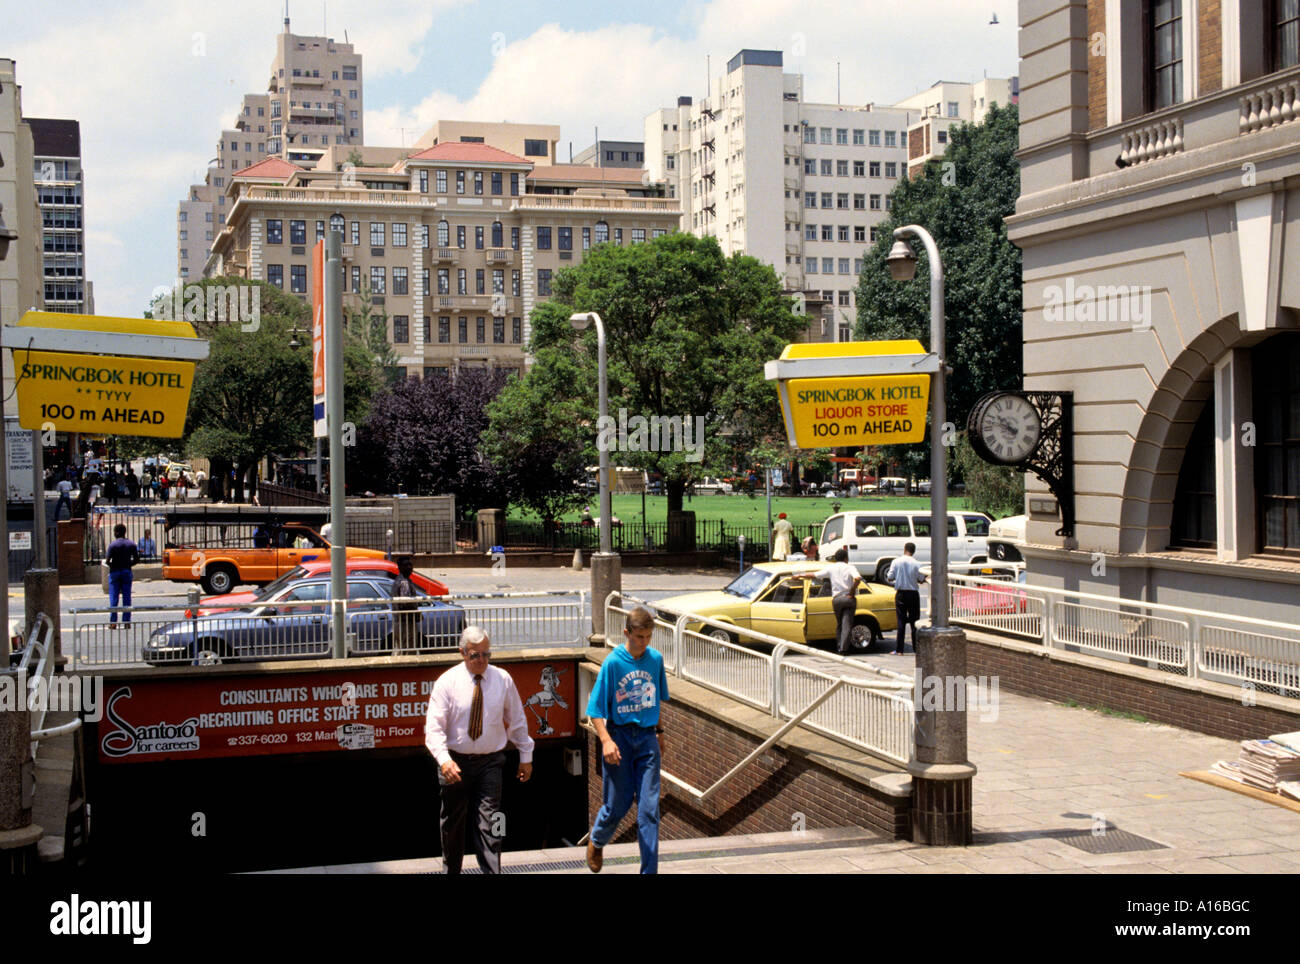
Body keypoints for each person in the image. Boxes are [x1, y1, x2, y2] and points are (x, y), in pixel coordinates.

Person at [424, 627, 533, 874]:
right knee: (453, 824)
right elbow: (434, 728)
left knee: (494, 821)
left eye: (486, 654)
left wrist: (526, 756)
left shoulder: (503, 679)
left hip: (491, 762)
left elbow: (517, 719)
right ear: (462, 653)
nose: (481, 660)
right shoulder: (447, 682)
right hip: (455, 763)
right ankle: (451, 870)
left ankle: (492, 871)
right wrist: (443, 760)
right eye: (475, 655)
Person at [586, 606, 669, 875]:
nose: (644, 643)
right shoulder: (613, 663)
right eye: (639, 637)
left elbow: (653, 699)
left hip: (646, 741)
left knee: (648, 810)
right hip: (619, 737)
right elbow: (595, 710)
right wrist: (606, 741)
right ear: (627, 633)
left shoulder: (655, 660)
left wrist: (660, 732)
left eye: (648, 637)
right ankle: (597, 840)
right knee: (617, 806)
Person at [794, 546, 861, 655]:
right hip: (848, 599)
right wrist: (852, 591)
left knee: (840, 624)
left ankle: (839, 646)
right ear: (846, 558)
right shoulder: (850, 567)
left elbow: (814, 575)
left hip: (836, 599)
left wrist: (799, 576)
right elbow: (857, 579)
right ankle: (844, 649)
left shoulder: (831, 568)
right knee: (847, 624)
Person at [887, 542, 927, 655]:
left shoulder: (896, 561)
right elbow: (920, 579)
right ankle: (916, 648)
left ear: (904, 549)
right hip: (913, 594)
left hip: (901, 594)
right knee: (914, 622)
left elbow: (890, 577)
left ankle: (899, 650)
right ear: (913, 551)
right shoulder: (918, 564)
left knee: (901, 622)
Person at [105, 523, 140, 627]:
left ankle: (113, 623)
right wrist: (129, 564)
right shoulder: (131, 544)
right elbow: (137, 559)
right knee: (127, 597)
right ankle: (126, 621)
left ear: (116, 532)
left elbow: (107, 561)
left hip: (115, 572)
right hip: (126, 571)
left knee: (114, 597)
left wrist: (112, 565)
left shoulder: (113, 545)